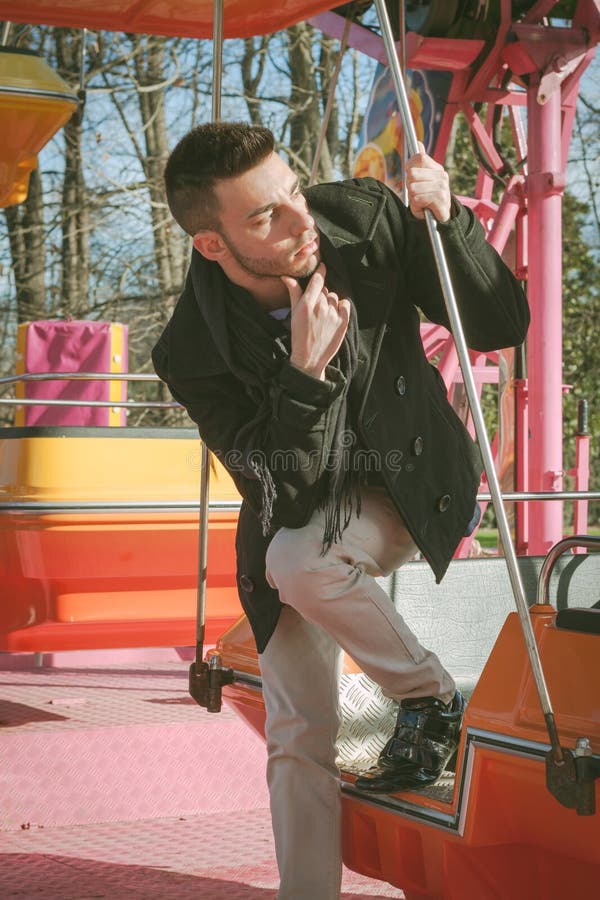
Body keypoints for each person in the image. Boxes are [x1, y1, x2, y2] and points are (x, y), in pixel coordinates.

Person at [152, 121, 529, 900]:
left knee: (299, 562)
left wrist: (451, 218)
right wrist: (304, 374)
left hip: (410, 475)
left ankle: (428, 697)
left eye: (293, 193)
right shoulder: (190, 348)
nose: (300, 222)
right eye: (265, 217)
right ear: (211, 245)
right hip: (299, 500)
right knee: (297, 731)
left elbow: (500, 325)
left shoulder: (361, 220)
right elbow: (277, 483)